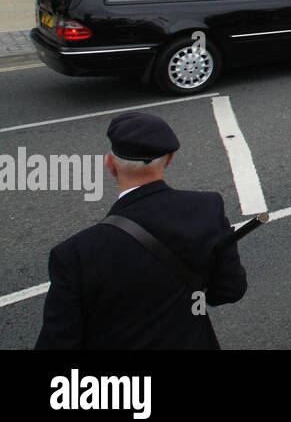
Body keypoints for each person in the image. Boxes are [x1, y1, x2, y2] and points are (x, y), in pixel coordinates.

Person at [35, 111, 247, 348]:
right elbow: (229, 290)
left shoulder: (74, 254)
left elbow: (58, 341)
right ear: (169, 159)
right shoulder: (208, 208)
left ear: (110, 164)